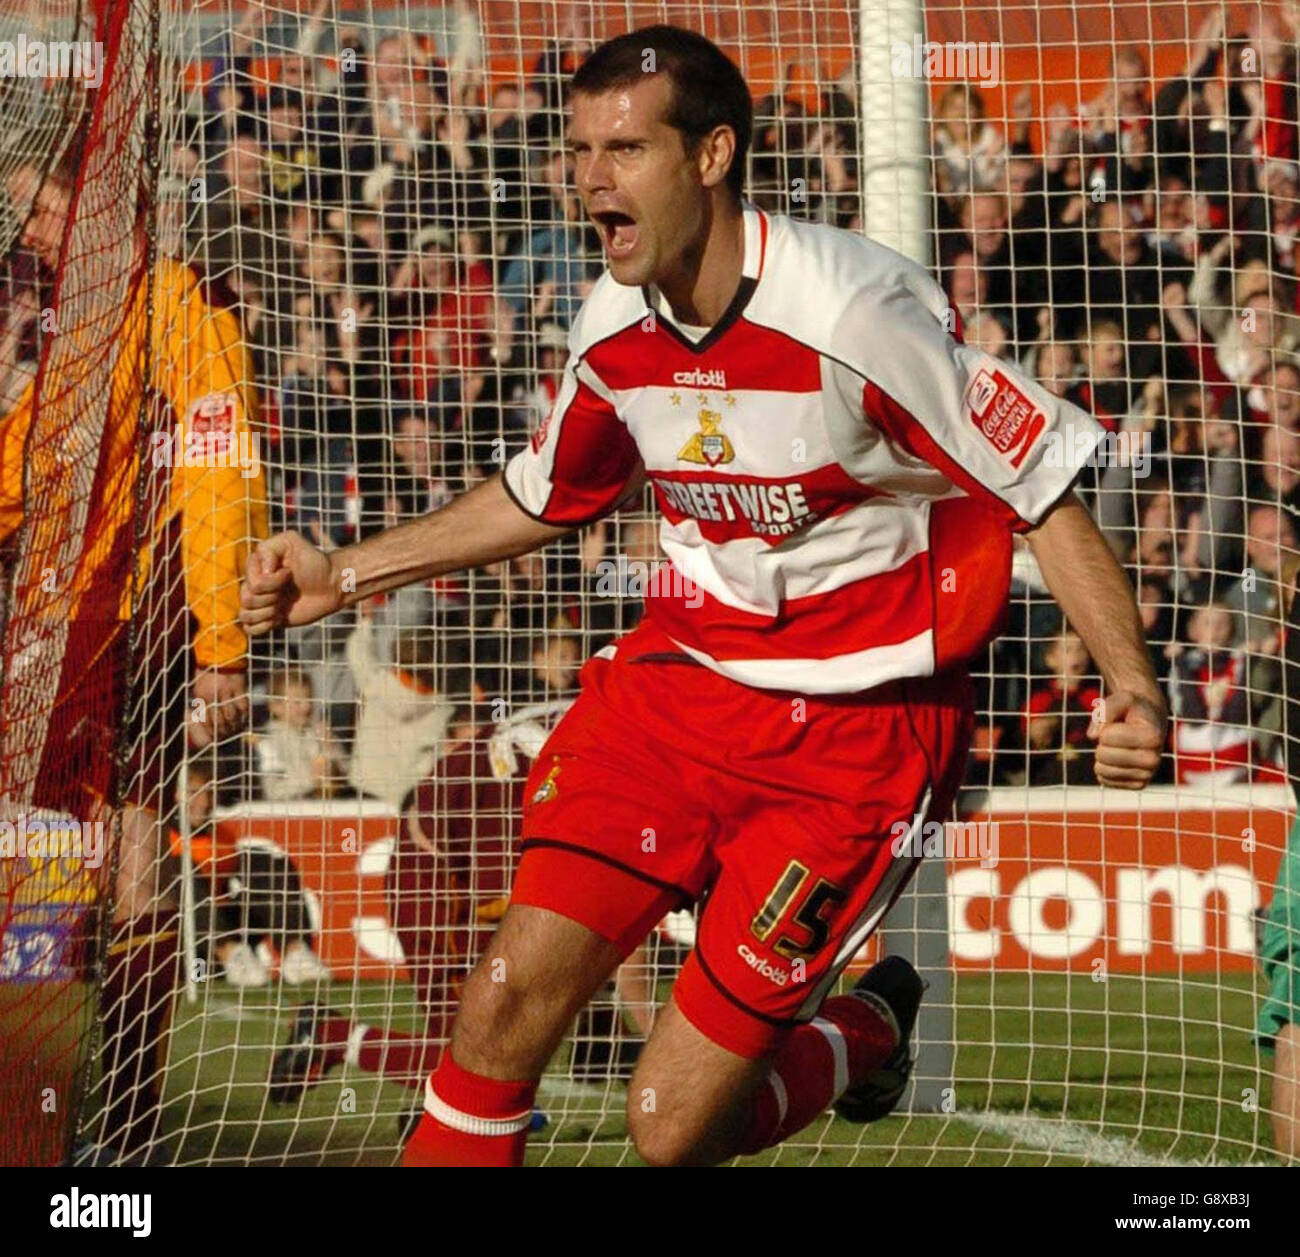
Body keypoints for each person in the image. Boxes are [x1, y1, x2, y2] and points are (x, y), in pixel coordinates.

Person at [241, 26, 1166, 1169]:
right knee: (499, 999)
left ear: (714, 153)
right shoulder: (610, 327)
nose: (589, 179)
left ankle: (867, 1025)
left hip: (856, 737)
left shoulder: (853, 313)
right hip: (675, 699)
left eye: (625, 149)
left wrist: (1128, 683)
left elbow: (1042, 489)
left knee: (671, 1127)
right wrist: (348, 572)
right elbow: (545, 493)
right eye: (578, 149)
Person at [0, 152, 267, 1163]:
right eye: (21, 214)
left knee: (133, 864)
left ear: (108, 203)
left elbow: (219, 478)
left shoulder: (177, 306)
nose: (28, 232)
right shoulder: (59, 312)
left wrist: (221, 646)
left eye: (43, 207)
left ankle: (127, 1118)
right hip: (48, 622)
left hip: (135, 626)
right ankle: (73, 1109)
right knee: (84, 863)